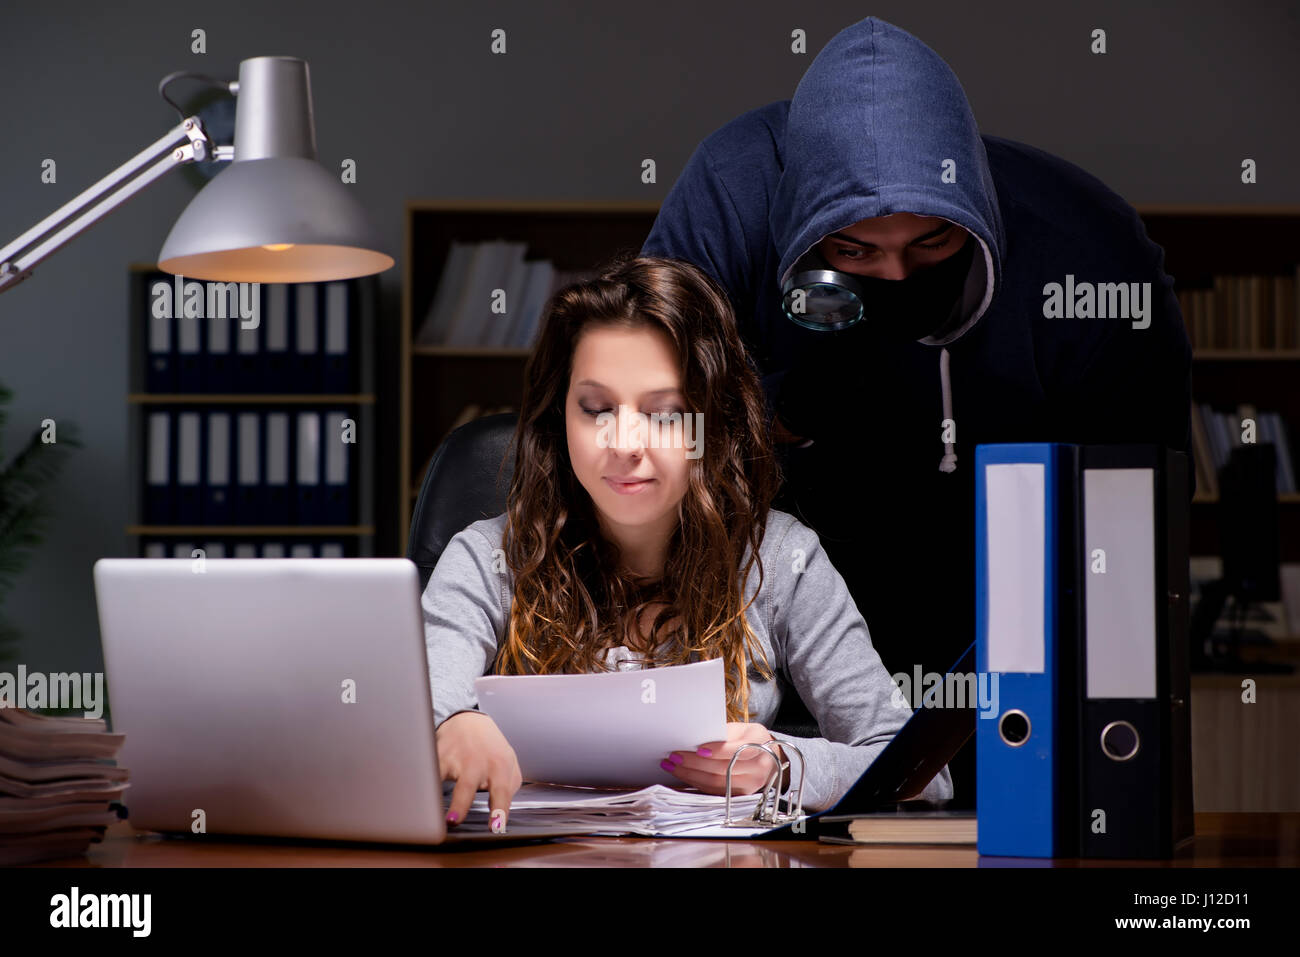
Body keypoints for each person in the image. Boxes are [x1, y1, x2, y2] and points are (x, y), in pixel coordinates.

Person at [640, 16, 1193, 806]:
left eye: (931, 243)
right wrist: (777, 412)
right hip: (798, 566)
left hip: (1015, 579)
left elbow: (1139, 531)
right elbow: (648, 425)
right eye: (857, 251)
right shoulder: (731, 197)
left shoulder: (1090, 254)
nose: (895, 273)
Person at [423, 255, 953, 834]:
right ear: (560, 417)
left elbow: (923, 773)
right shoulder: (488, 557)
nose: (625, 443)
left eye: (666, 414)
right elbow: (398, 722)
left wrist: (784, 765)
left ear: (712, 425)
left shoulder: (780, 559)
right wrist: (449, 726)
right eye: (597, 409)